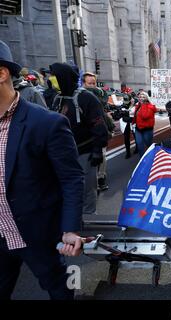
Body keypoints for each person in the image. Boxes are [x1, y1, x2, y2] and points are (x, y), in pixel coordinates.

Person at [0, 40, 87, 300]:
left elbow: (72, 178)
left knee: (60, 291)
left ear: (2, 74)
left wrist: (70, 229)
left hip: (37, 234)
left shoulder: (46, 123)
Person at [50, 62, 109, 215]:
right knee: (66, 188)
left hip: (84, 152)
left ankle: (88, 218)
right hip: (62, 154)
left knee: (86, 188)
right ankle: (70, 218)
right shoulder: (58, 99)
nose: (51, 79)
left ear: (65, 78)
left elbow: (99, 125)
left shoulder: (86, 99)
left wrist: (97, 150)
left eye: (55, 77)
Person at [82, 72, 114, 192]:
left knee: (102, 157)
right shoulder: (80, 97)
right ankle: (91, 183)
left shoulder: (100, 95)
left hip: (99, 131)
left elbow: (102, 114)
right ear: (84, 83)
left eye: (94, 83)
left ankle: (101, 179)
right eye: (89, 83)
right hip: (86, 134)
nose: (92, 86)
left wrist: (108, 123)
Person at [133, 91, 161, 158]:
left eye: (143, 97)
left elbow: (145, 116)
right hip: (138, 129)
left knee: (148, 144)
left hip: (147, 129)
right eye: (140, 97)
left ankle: (154, 155)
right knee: (139, 144)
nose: (141, 98)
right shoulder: (138, 105)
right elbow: (136, 115)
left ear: (146, 98)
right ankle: (142, 159)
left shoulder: (150, 106)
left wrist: (143, 105)